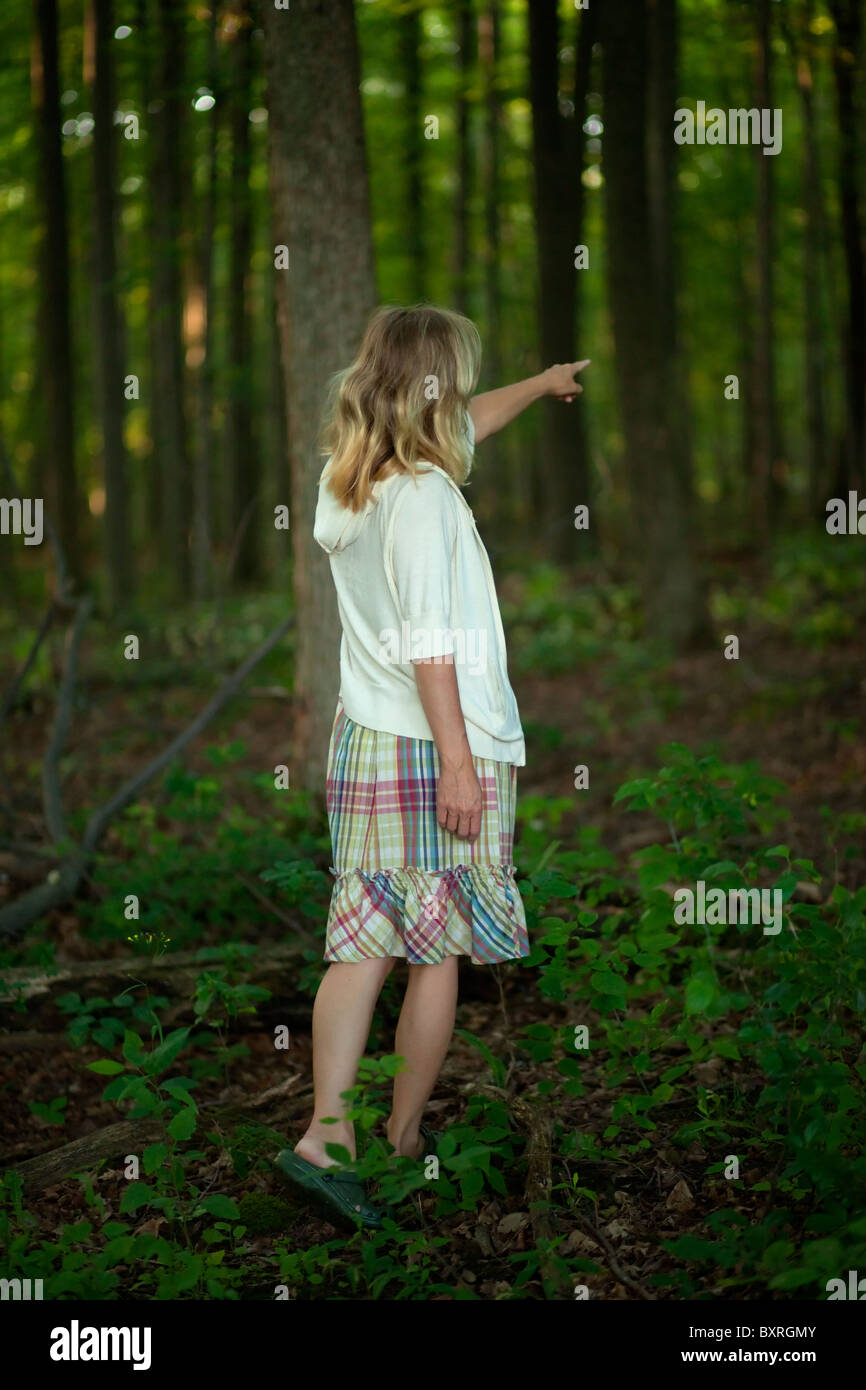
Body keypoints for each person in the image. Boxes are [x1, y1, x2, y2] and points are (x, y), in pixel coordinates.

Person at [274, 305, 589, 1226]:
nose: (464, 397)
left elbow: (467, 422)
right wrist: (459, 762)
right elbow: (432, 646)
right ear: (431, 388)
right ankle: (402, 1140)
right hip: (431, 743)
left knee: (363, 942)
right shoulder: (424, 499)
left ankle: (328, 1135)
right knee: (437, 949)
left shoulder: (349, 483)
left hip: (368, 740)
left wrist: (540, 385)